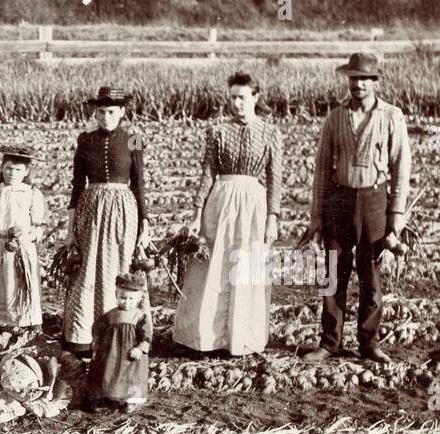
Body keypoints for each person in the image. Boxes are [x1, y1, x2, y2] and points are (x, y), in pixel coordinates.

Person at [302, 52, 411, 364]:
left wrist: (396, 217)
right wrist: (316, 216)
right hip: (339, 200)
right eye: (353, 78)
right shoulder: (335, 118)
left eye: (364, 79)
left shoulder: (391, 116)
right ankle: (329, 342)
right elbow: (321, 169)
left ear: (375, 82)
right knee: (334, 273)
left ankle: (369, 343)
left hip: (374, 201)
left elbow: (401, 168)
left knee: (371, 275)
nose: (358, 84)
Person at [174, 72, 282, 356]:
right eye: (232, 97)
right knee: (215, 267)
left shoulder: (271, 132)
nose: (236, 103)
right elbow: (207, 174)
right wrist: (196, 214)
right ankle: (208, 339)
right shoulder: (218, 131)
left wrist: (273, 217)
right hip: (220, 203)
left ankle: (242, 338)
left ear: (255, 98)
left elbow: (275, 179)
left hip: (253, 206)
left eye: (242, 97)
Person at [64, 86, 148, 358]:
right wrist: (70, 226)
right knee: (88, 268)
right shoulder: (85, 139)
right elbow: (77, 185)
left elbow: (139, 183)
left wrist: (145, 222)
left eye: (111, 112)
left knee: (119, 265)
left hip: (123, 210)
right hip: (92, 209)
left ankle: (122, 332)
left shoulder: (134, 137)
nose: (105, 117)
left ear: (122, 112)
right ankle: (83, 336)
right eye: (100, 112)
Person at [0, 144, 46, 331]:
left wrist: (29, 236)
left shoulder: (32, 193)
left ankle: (24, 325)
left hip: (22, 249)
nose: (12, 173)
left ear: (26, 171)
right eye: (8, 168)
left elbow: (41, 226)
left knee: (20, 285)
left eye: (18, 169)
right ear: (2, 168)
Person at [86, 273, 151, 413]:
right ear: (116, 295)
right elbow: (98, 328)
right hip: (112, 352)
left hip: (131, 354)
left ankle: (131, 401)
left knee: (132, 376)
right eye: (123, 298)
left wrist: (140, 348)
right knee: (109, 373)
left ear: (139, 298)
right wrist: (96, 342)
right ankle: (107, 398)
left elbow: (147, 334)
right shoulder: (110, 315)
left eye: (131, 299)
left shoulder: (139, 316)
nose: (126, 302)